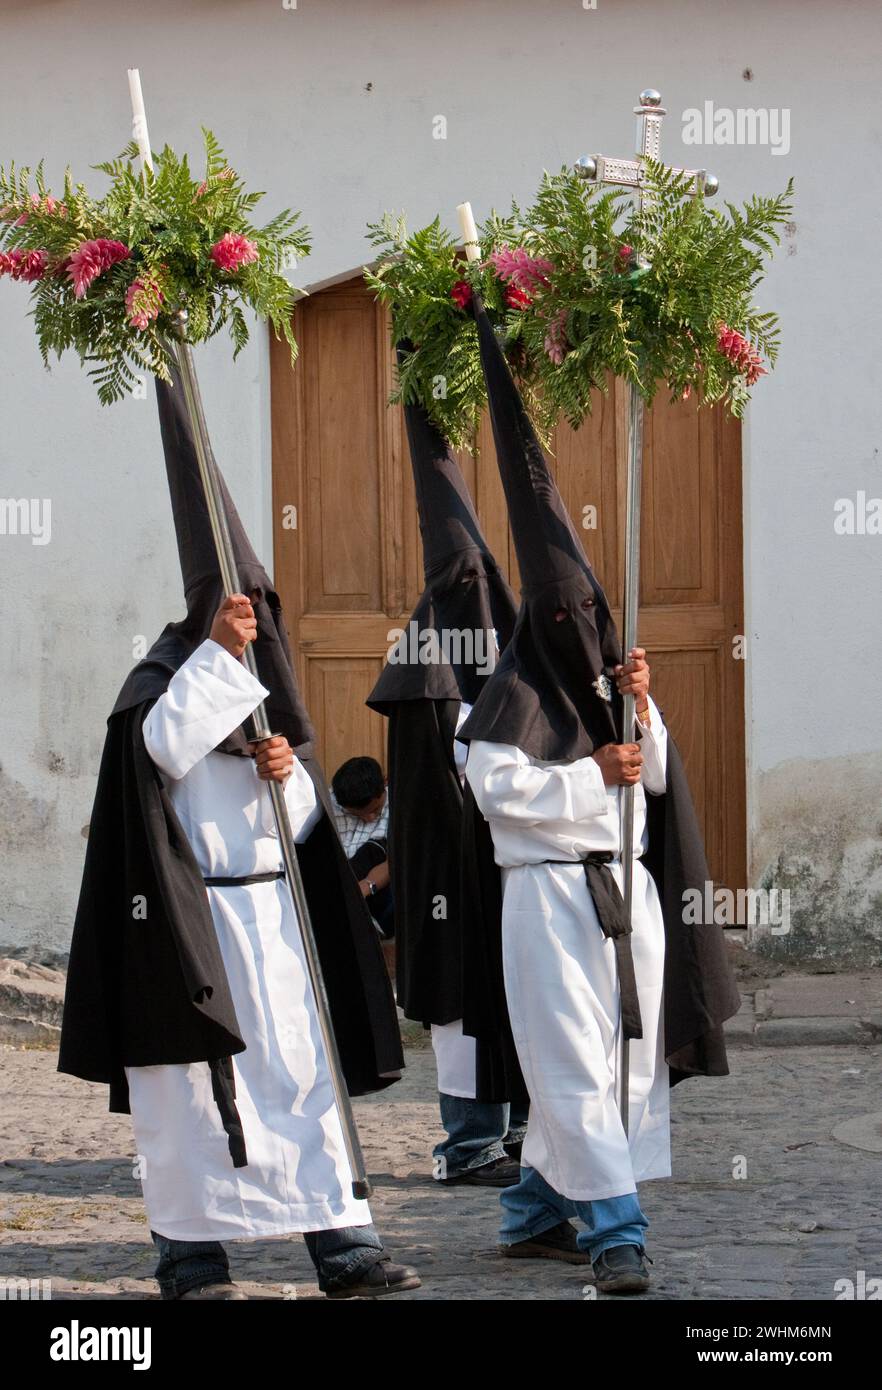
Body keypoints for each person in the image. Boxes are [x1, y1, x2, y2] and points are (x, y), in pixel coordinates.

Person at [58, 369, 419, 1300]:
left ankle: (343, 1245)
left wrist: (284, 774)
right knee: (189, 1099)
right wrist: (217, 658)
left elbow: (305, 828)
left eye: (258, 609)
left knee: (302, 1077)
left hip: (274, 923)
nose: (253, 621)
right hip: (189, 930)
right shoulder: (166, 680)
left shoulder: (257, 691)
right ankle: (191, 1255)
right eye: (235, 606)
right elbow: (162, 746)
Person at [458, 302, 741, 1292]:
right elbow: (496, 789)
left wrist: (641, 711)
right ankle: (618, 1235)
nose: (583, 627)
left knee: (614, 1067)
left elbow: (658, 778)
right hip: (547, 901)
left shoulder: (610, 694)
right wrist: (591, 777)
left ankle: (533, 1211)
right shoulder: (504, 701)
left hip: (627, 902)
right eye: (568, 615)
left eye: (594, 613)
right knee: (576, 1064)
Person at [367, 357, 528, 1189]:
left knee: (515, 995)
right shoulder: (425, 667)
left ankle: (512, 1137)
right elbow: (440, 788)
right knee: (465, 1008)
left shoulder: (497, 649)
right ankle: (467, 1147)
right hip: (450, 876)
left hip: (501, 863)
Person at [330, 757, 394, 939]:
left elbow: (398, 863)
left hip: (379, 893)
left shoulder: (398, 807)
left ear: (385, 784)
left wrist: (365, 888)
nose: (369, 818)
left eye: (375, 809)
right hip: (339, 890)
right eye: (358, 814)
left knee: (377, 849)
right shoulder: (329, 806)